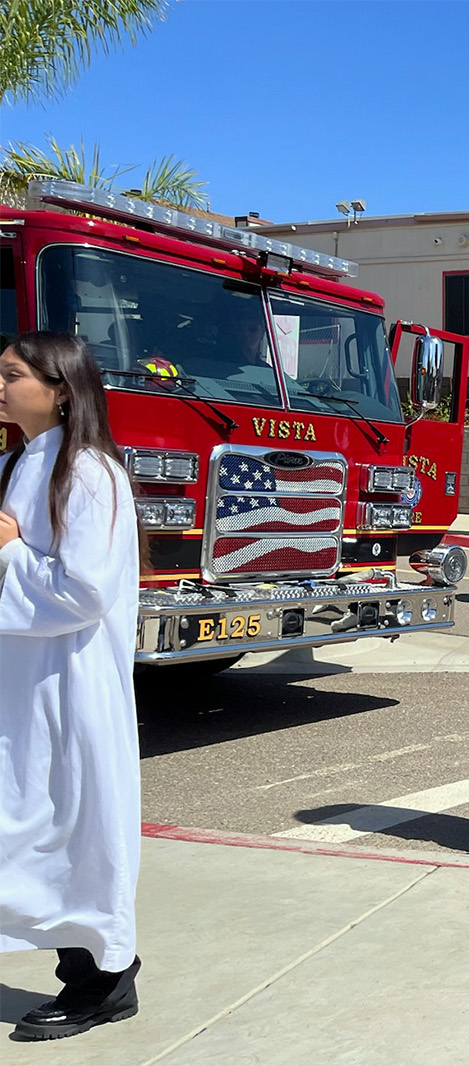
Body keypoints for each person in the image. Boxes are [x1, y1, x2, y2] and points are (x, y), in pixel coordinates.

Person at [0, 332, 143, 1041]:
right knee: (26, 822)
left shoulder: (90, 474)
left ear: (61, 389)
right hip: (18, 682)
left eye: (12, 374)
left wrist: (8, 553)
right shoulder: (16, 462)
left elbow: (84, 592)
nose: (0, 386)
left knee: (74, 826)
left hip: (69, 684)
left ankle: (102, 982)